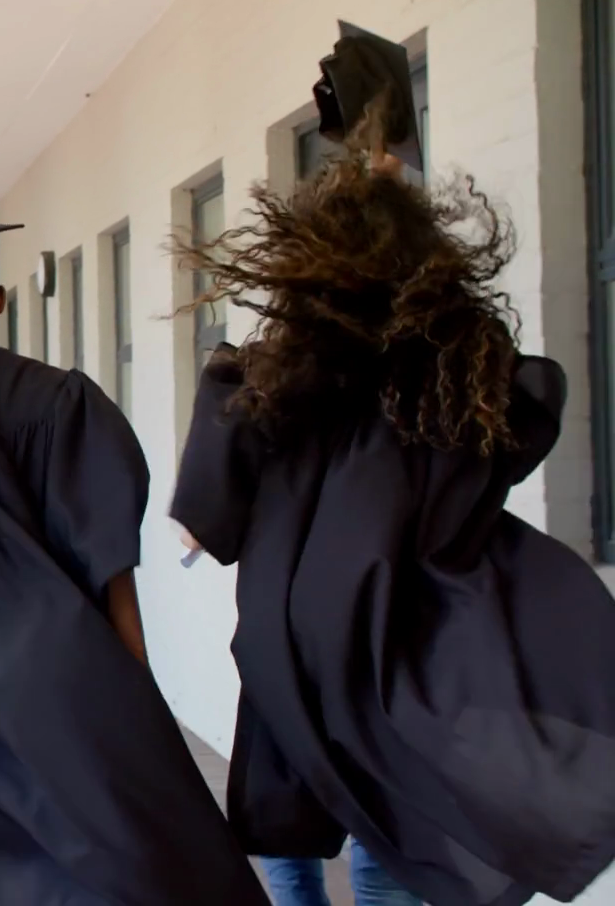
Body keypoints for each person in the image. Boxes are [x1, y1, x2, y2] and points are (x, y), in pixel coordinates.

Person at [170, 86, 615, 904]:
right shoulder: (445, 383)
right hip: (390, 634)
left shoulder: (274, 377)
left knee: (289, 819)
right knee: (395, 820)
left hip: (289, 638)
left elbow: (207, 528)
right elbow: (518, 434)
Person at [0, 223, 268, 906]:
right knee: (127, 853)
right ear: (1, 299)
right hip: (70, 664)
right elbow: (109, 558)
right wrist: (134, 668)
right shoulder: (65, 399)